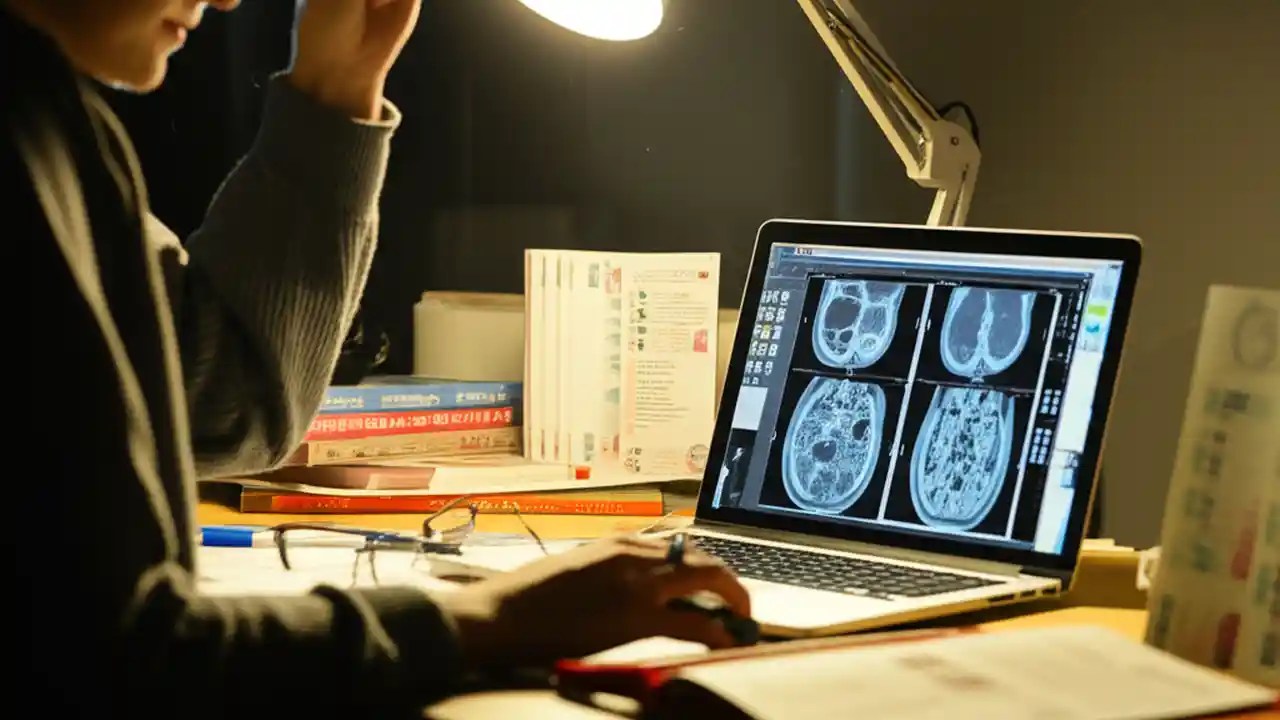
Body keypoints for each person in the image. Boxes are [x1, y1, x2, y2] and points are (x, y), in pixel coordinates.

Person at [4, 0, 750, 716]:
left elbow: (224, 396)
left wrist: (338, 85)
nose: (229, 1)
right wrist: (486, 616)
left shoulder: (49, 117)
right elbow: (118, 668)